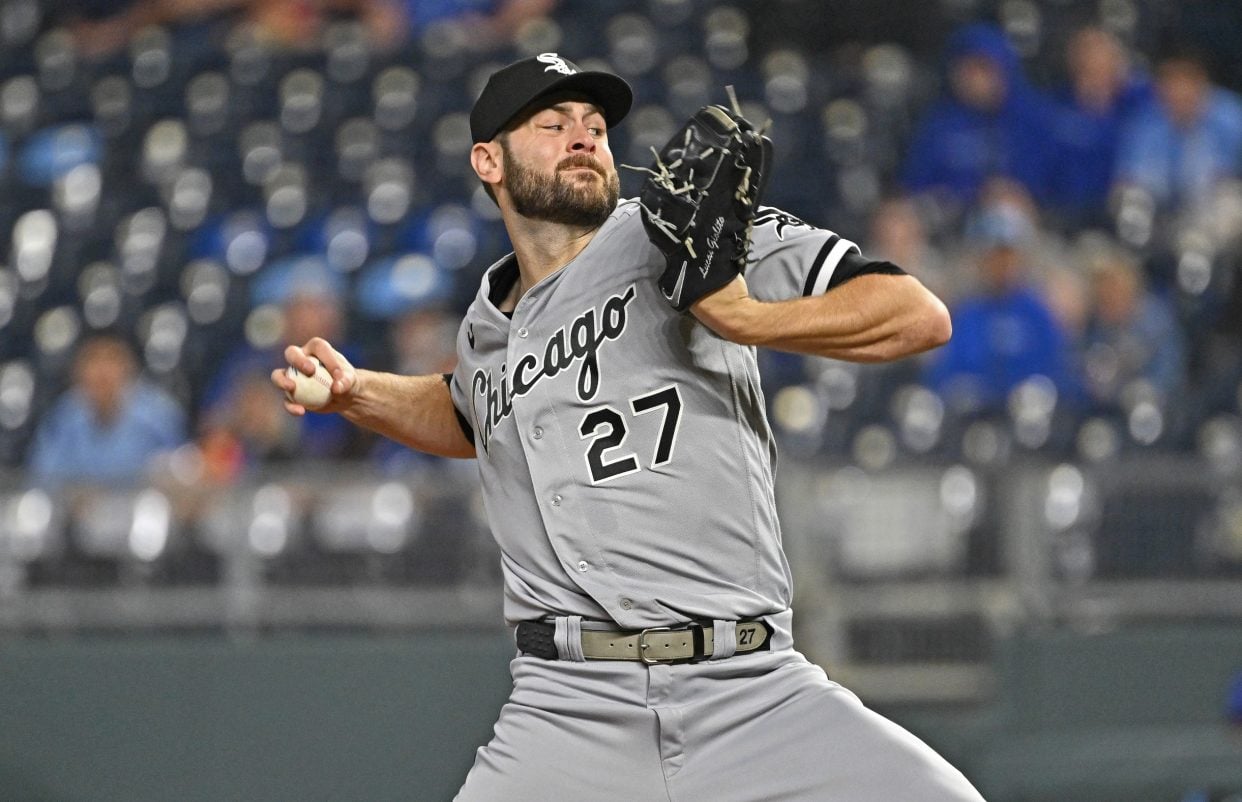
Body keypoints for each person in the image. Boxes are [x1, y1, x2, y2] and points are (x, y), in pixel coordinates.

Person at [273, 53, 983, 800]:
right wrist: (357, 392)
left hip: (749, 688)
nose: (583, 136)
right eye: (552, 125)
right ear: (490, 161)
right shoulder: (486, 325)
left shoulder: (679, 237)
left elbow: (916, 315)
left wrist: (743, 318)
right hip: (567, 707)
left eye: (595, 125)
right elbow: (467, 412)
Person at [922, 183, 1079, 417]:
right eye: (994, 256)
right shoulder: (967, 313)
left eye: (1008, 256)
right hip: (973, 422)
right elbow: (942, 376)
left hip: (1030, 421)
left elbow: (1060, 372)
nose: (1001, 264)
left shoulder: (1037, 313)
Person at [900, 22, 1055, 220]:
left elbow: (1058, 186)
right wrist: (970, 199)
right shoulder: (937, 126)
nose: (973, 79)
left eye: (983, 69)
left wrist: (1021, 197)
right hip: (951, 228)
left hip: (1035, 226)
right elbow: (912, 190)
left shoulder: (1034, 120)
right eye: (965, 69)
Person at [27, 333, 187, 488]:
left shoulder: (159, 415)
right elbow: (42, 477)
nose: (102, 370)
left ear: (130, 366)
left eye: (112, 358)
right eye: (92, 359)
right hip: (78, 504)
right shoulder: (62, 417)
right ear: (77, 369)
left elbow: (182, 473)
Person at [1113, 43, 1242, 218]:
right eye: (1170, 82)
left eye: (1185, 81)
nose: (1178, 91)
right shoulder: (1145, 124)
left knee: (1230, 200)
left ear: (1202, 82)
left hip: (1215, 214)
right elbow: (1127, 181)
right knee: (1131, 199)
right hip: (1161, 215)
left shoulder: (1231, 118)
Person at [1044, 25, 1153, 228]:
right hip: (1067, 210)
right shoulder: (1055, 108)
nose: (1094, 65)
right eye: (1086, 57)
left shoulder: (1140, 103)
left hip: (1122, 209)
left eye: (1102, 58)